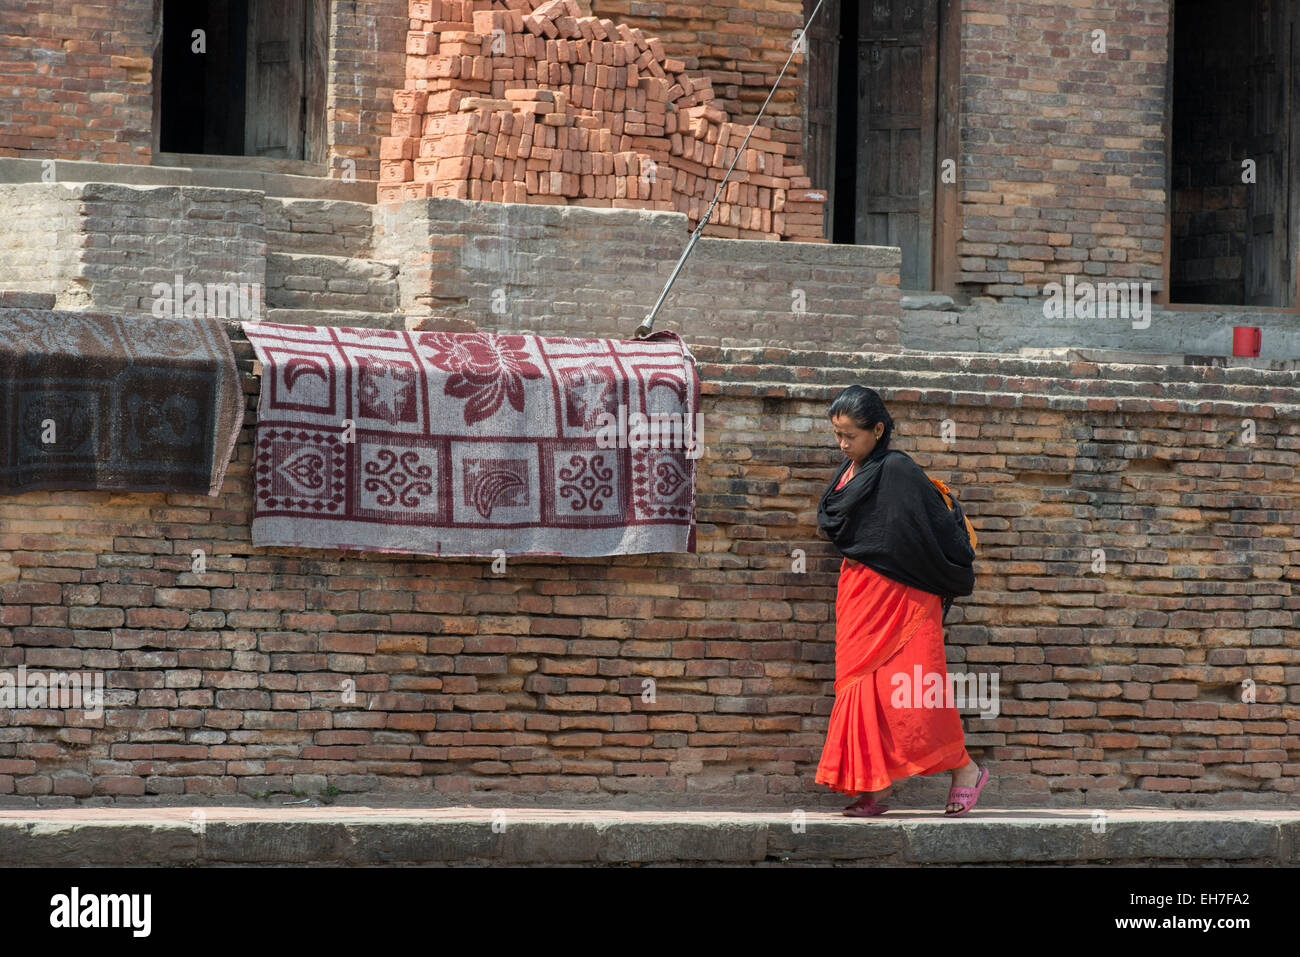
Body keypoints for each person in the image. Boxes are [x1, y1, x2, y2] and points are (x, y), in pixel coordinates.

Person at [814, 385, 988, 817]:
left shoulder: (897, 470)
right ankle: (876, 787)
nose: (842, 444)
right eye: (837, 435)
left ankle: (964, 770)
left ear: (877, 429)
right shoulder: (849, 471)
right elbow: (841, 526)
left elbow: (931, 532)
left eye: (849, 435)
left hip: (905, 599)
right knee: (860, 687)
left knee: (910, 693)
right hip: (860, 595)